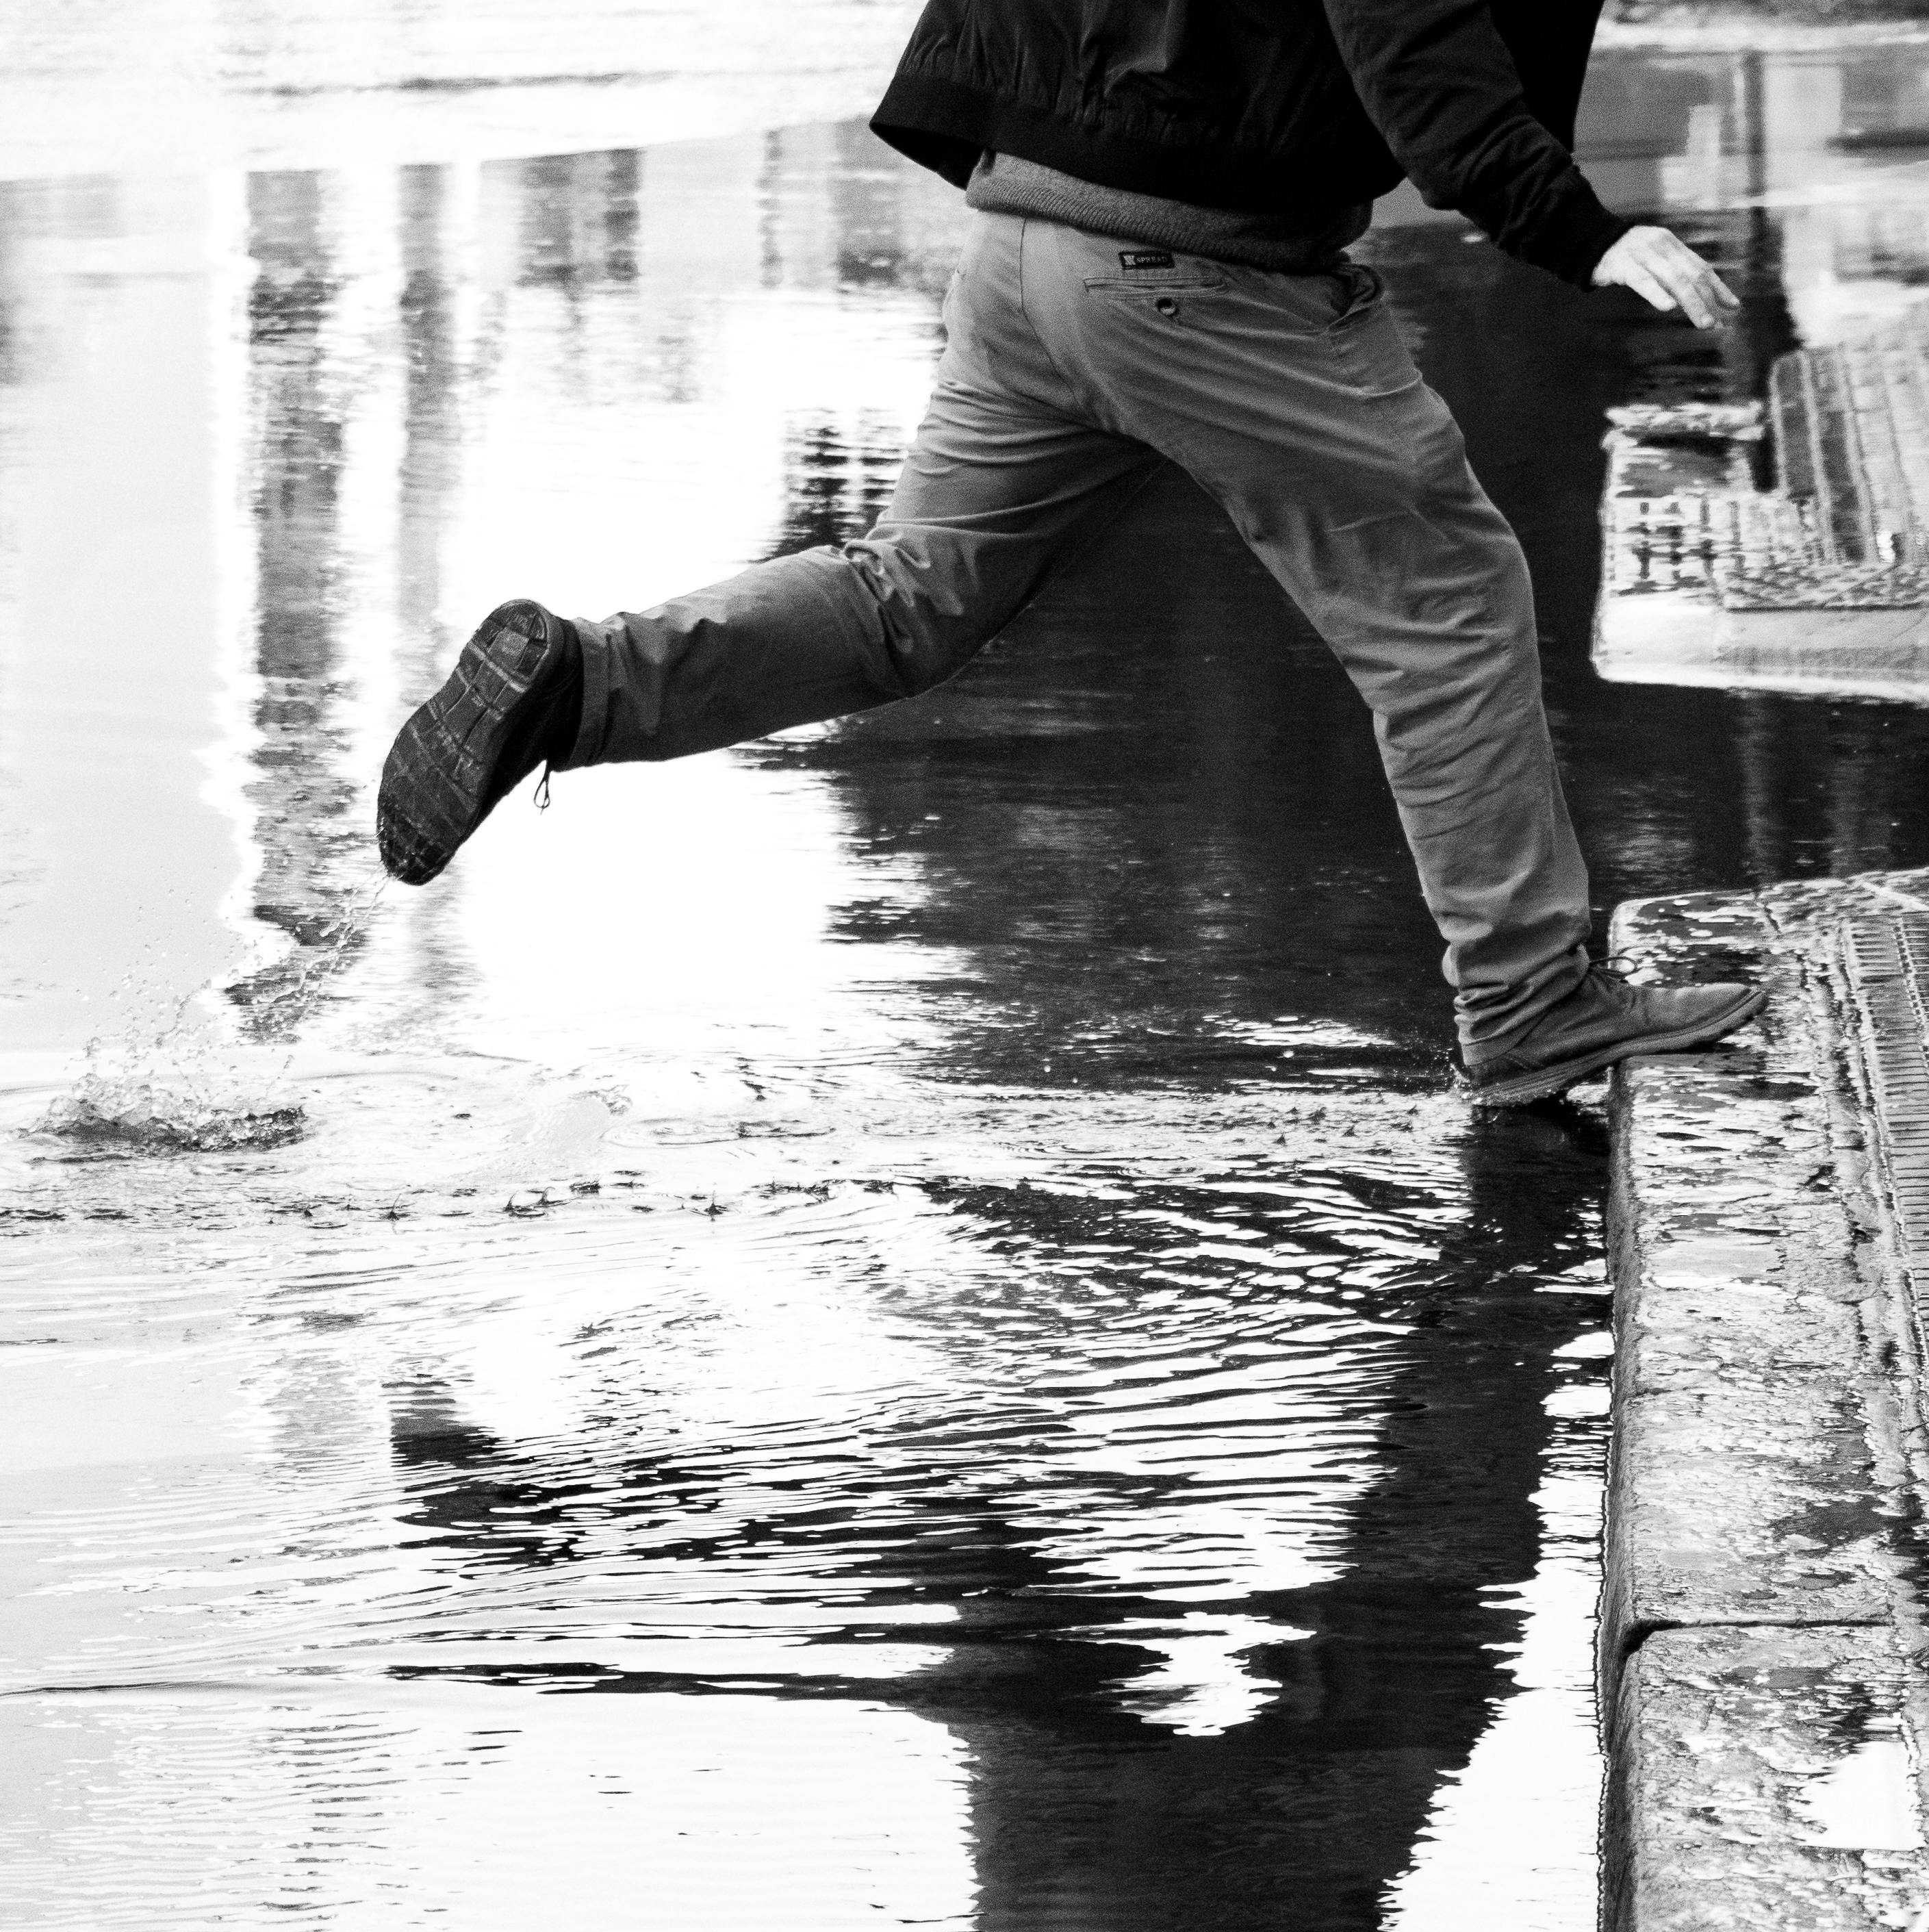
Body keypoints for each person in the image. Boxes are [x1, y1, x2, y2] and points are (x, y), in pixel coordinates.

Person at [376, 0, 1763, 1108]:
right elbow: (1406, 34)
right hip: (1199, 268)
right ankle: (1527, 1005)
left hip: (1025, 237)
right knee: (1446, 601)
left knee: (908, 598)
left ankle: (578, 683)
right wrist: (1574, 225)